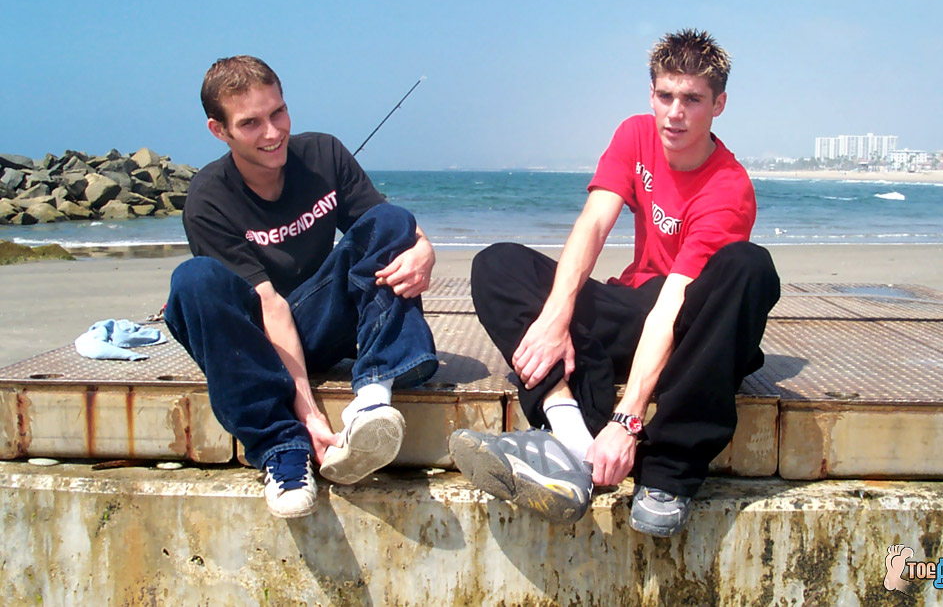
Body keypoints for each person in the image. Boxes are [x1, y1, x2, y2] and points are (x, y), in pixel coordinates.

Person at [450, 29, 780, 536]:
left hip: (691, 331)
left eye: (692, 99)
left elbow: (672, 303)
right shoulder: (635, 134)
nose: (675, 113)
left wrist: (627, 420)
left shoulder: (728, 187)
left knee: (749, 266)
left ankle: (667, 474)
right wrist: (557, 318)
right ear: (652, 94)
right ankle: (572, 440)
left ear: (718, 104)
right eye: (666, 96)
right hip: (633, 307)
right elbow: (593, 225)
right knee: (498, 265)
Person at [165, 56, 438, 519]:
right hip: (255, 343)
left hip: (317, 323)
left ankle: (373, 397)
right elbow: (269, 305)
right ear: (219, 130)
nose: (272, 133)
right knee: (192, 280)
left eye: (278, 112)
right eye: (250, 123)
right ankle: (282, 450)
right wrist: (307, 410)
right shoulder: (209, 198)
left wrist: (425, 251)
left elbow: (387, 226)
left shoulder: (324, 154)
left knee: (394, 219)